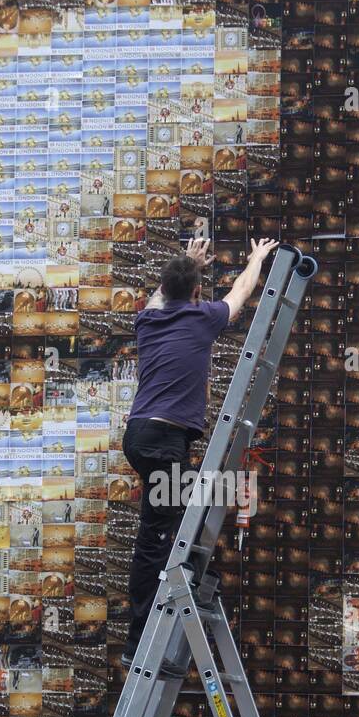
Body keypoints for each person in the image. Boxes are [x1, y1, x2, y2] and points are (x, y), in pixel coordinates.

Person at [121, 236, 278, 672]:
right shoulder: (202, 318)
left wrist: (188, 263)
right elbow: (242, 291)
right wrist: (257, 258)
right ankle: (139, 640)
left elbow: (162, 293)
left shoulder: (147, 320)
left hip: (140, 437)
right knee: (156, 538)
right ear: (194, 293)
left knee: (166, 523)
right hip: (163, 442)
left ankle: (153, 624)